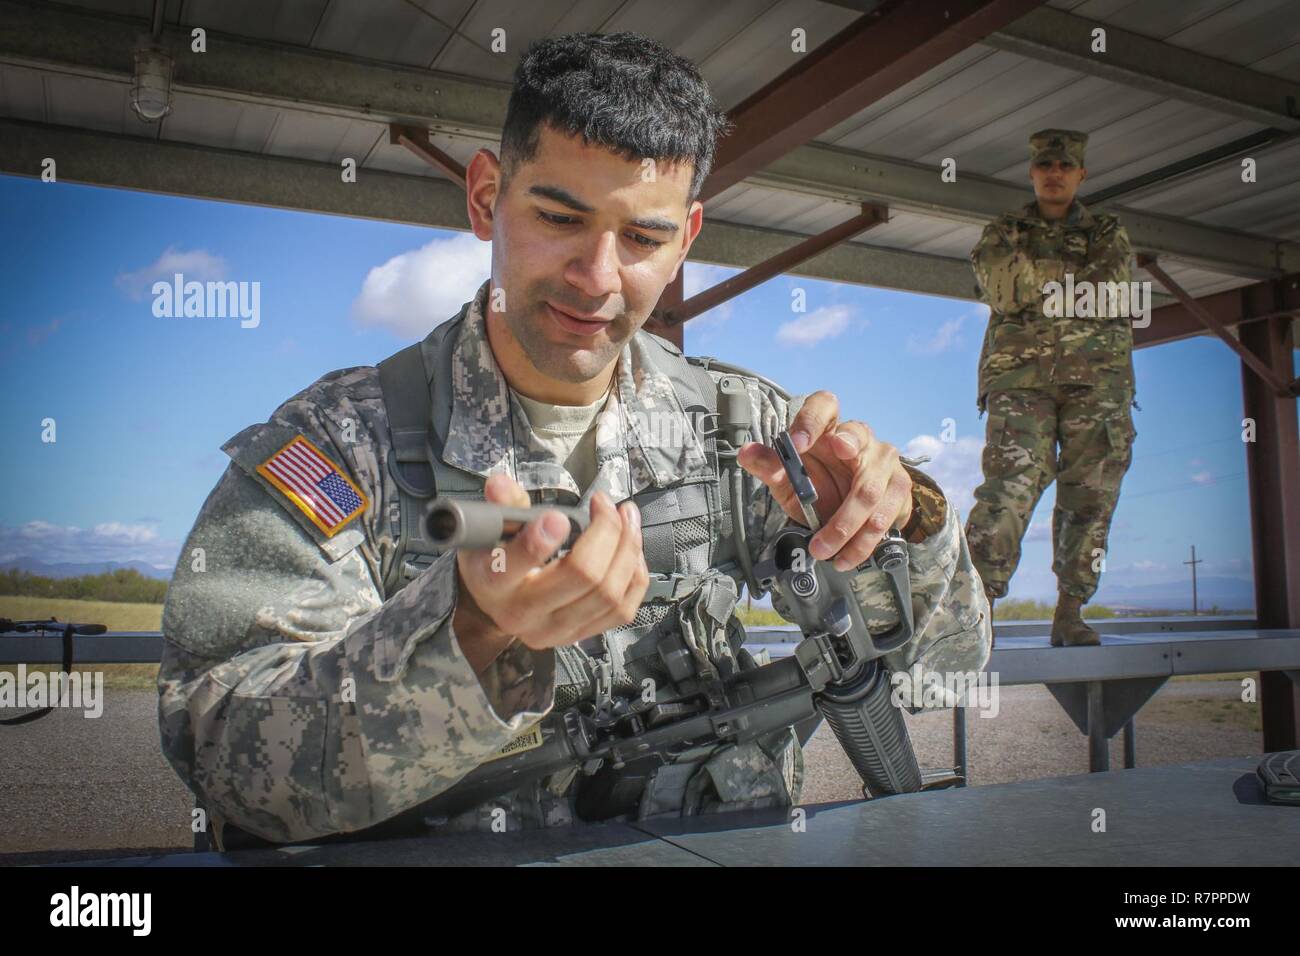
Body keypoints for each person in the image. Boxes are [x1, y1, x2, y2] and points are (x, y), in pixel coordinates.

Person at [158, 32, 990, 849]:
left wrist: (906, 520)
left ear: (688, 236)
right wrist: (468, 635)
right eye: (559, 217)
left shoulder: (744, 433)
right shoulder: (341, 445)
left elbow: (946, 667)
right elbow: (224, 751)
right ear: (487, 196)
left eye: (643, 238)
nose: (597, 277)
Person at [966, 129, 1137, 647]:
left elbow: (1107, 291)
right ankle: (978, 614)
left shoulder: (1107, 231)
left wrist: (1035, 286)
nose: (1054, 174)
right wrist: (1067, 287)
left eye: (1064, 167)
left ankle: (1070, 613)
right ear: (1033, 172)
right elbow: (1000, 284)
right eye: (1045, 165)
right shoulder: (1003, 230)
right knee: (1007, 491)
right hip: (1022, 383)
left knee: (1092, 497)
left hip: (1099, 385)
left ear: (1081, 174)